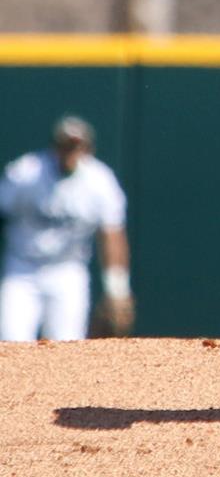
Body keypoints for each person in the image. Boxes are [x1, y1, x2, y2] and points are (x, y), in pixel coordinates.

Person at [1, 116, 134, 341]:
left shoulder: (100, 181)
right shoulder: (26, 172)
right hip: (23, 268)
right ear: (55, 147)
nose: (70, 153)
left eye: (76, 146)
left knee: (67, 345)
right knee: (11, 341)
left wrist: (117, 289)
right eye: (65, 146)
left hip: (68, 271)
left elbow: (112, 234)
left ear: (88, 149)